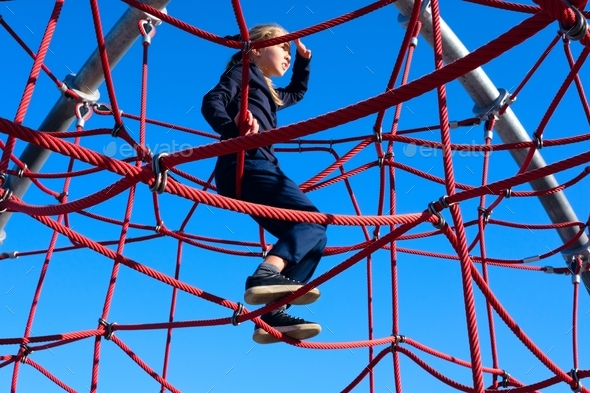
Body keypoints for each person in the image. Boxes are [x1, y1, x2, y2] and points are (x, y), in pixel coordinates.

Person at [201, 24, 327, 344]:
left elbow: (296, 92)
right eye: (282, 46)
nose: (286, 52)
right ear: (256, 49)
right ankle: (265, 274)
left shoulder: (268, 89)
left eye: (288, 49)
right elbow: (211, 101)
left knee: (314, 239)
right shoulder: (244, 73)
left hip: (250, 171)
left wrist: (303, 60)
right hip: (247, 162)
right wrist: (233, 131)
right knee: (312, 222)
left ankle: (271, 314)